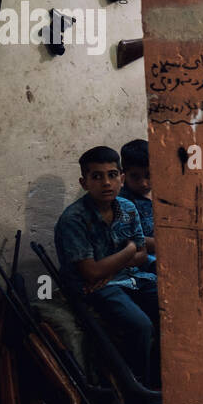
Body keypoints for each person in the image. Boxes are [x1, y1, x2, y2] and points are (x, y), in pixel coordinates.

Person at [54, 146, 161, 388]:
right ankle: (138, 388)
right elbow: (91, 273)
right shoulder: (74, 219)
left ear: (121, 178)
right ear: (84, 182)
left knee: (169, 309)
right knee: (140, 326)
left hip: (127, 277)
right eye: (97, 176)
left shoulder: (127, 208)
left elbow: (143, 256)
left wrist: (111, 267)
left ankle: (161, 381)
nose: (106, 183)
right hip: (93, 288)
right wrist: (129, 250)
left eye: (112, 175)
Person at [120, 139, 156, 272]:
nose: (144, 183)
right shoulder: (123, 202)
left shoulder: (163, 191)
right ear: (123, 175)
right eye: (135, 177)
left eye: (149, 175)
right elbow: (129, 238)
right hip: (145, 260)